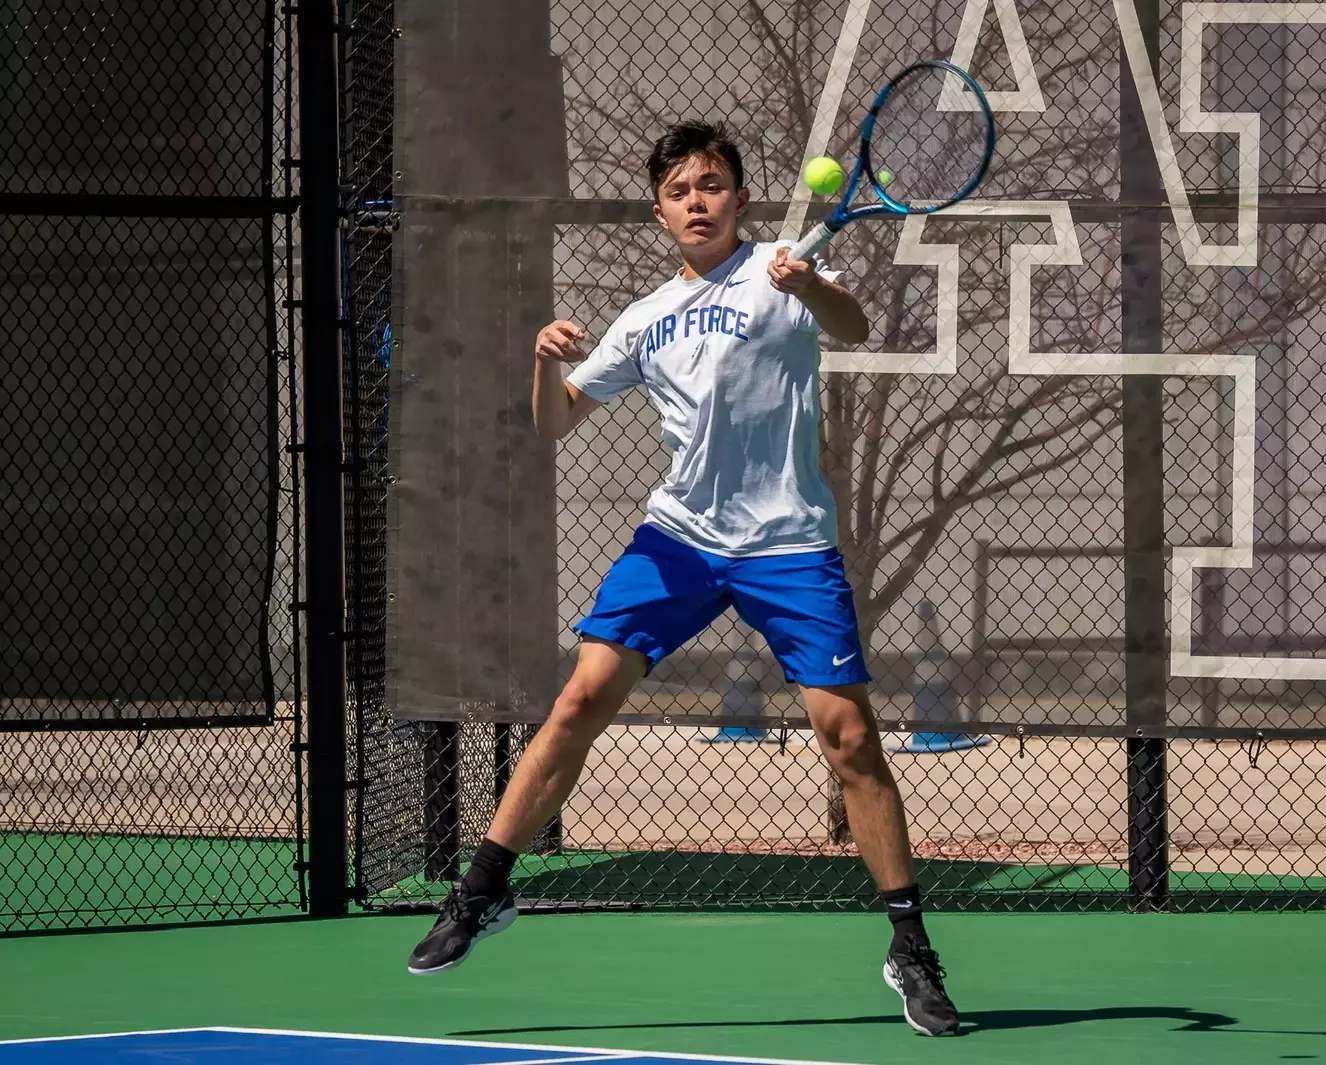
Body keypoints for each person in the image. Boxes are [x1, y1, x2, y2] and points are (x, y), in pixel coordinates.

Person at [405, 120, 960, 1037]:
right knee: (578, 700)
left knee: (850, 733)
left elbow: (852, 326)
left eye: (711, 184)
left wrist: (811, 283)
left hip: (788, 544)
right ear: (662, 210)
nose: (696, 201)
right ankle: (482, 892)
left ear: (740, 198)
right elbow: (557, 422)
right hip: (681, 541)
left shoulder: (785, 270)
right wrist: (545, 366)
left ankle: (912, 947)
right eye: (679, 190)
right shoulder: (646, 316)